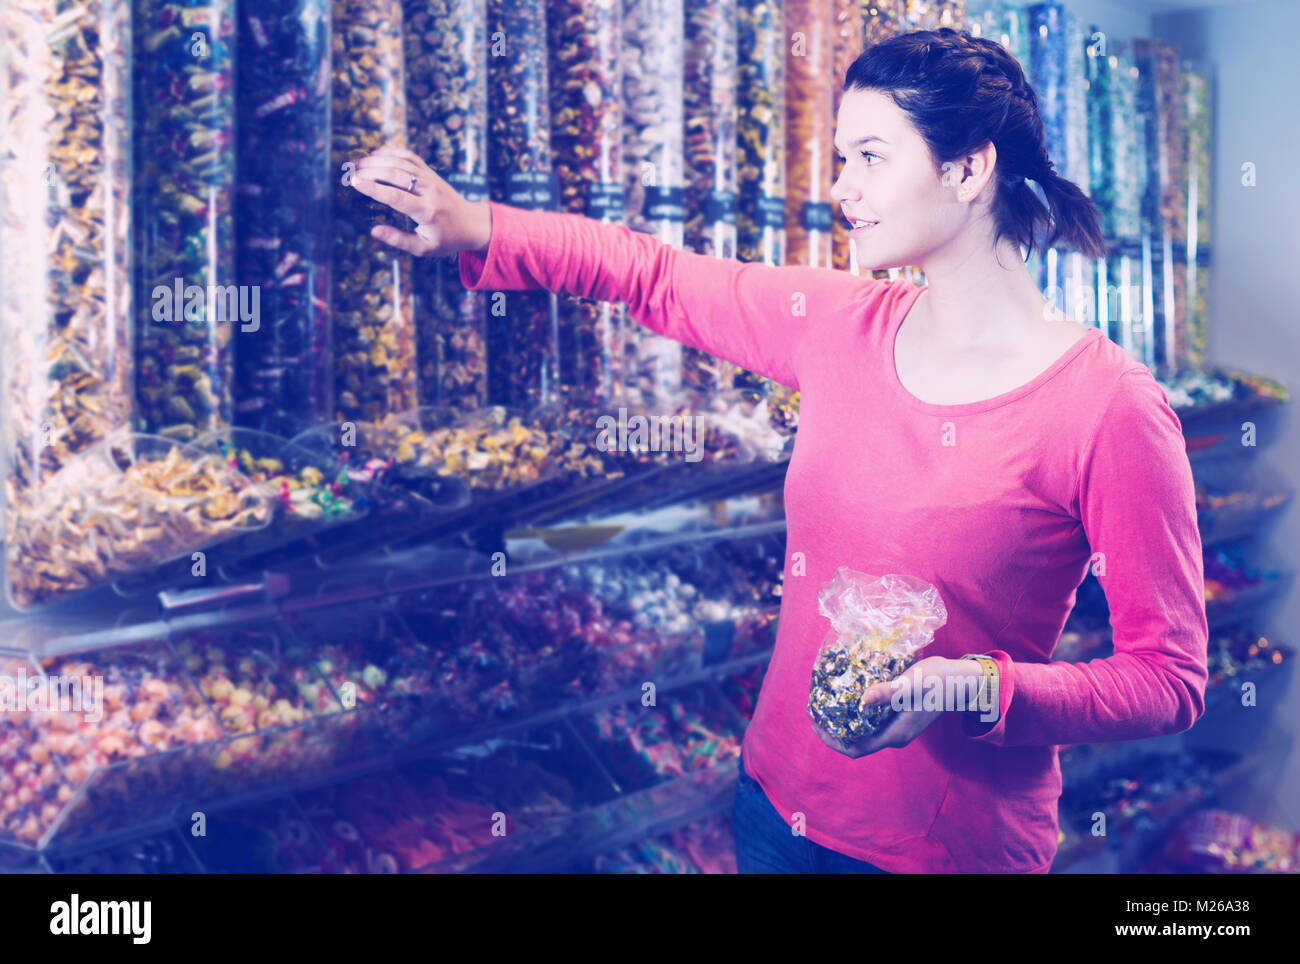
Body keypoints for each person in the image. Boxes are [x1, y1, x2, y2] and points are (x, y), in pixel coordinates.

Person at [349, 27, 1208, 874]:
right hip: (772, 813)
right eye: (841, 159)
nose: (842, 189)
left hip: (944, 853)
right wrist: (474, 224)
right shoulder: (839, 325)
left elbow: (1167, 679)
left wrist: (974, 684)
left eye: (870, 157)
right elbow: (651, 274)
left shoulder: (1109, 406)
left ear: (968, 169)